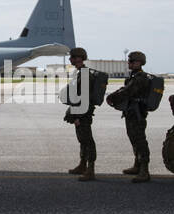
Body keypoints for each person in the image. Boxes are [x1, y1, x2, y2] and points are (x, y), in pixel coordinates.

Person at [106, 51, 152, 182]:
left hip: (137, 114)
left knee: (140, 140)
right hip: (131, 112)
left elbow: (128, 91)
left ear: (140, 62)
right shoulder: (134, 76)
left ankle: (144, 170)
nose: (129, 63)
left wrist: (112, 97)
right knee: (134, 139)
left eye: (132, 61)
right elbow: (125, 89)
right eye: (129, 61)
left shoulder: (141, 78)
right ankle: (137, 165)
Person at [64, 47, 102, 181]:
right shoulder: (80, 73)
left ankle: (90, 170)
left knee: (88, 141)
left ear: (79, 58)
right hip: (80, 112)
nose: (70, 59)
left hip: (83, 113)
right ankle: (82, 165)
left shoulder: (85, 75)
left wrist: (79, 116)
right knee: (82, 140)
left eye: (73, 57)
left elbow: (84, 98)